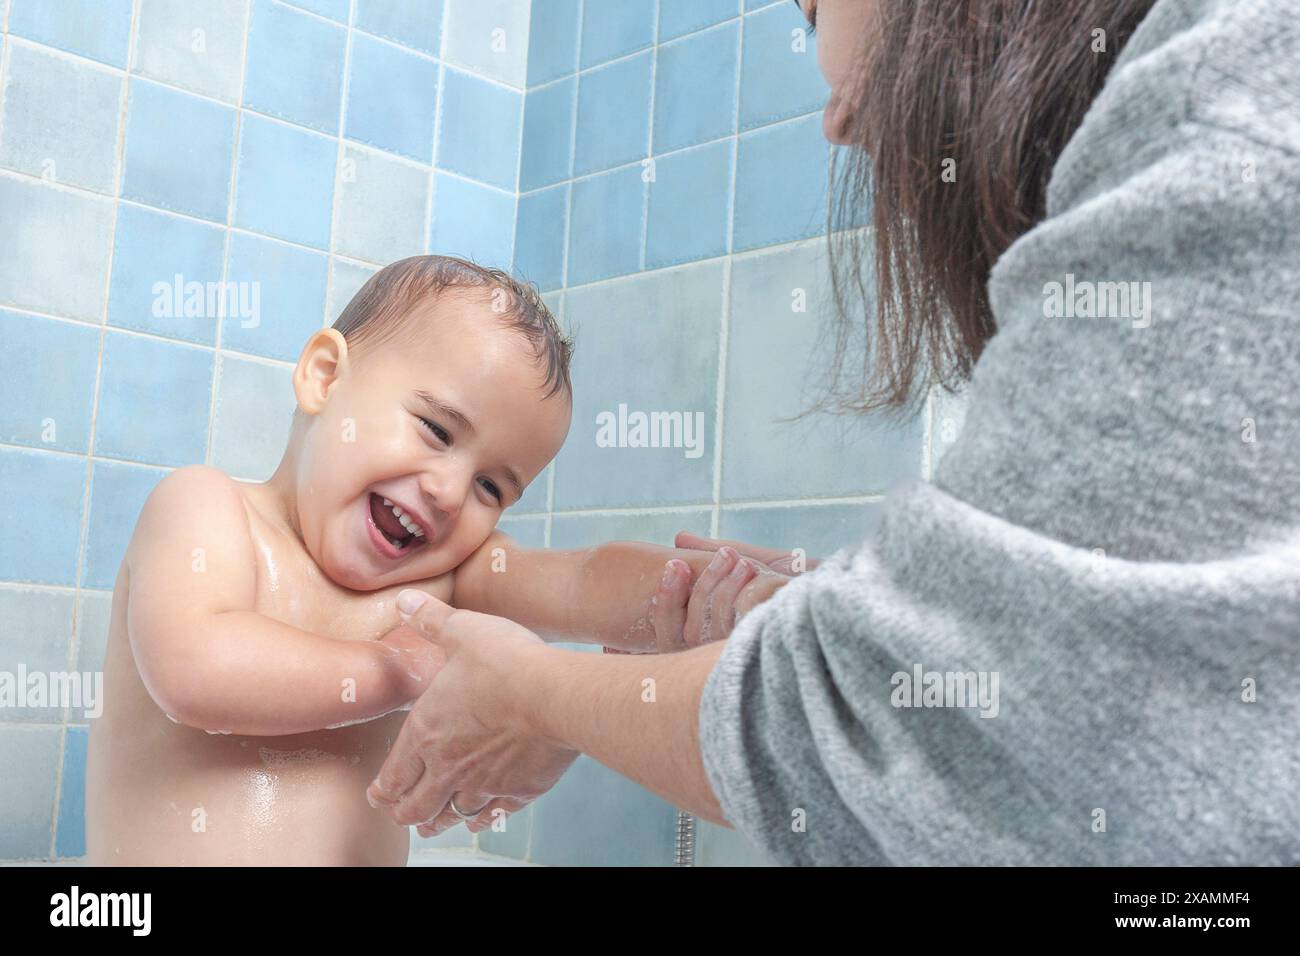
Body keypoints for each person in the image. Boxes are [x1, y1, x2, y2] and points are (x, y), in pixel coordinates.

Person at [368, 0, 1300, 865]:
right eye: (432, 429)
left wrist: (541, 694)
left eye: (815, 6)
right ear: (322, 375)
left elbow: (956, 722)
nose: (834, 122)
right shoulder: (225, 516)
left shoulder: (1233, 96)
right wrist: (830, 620)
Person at [84, 255, 787, 865]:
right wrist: (405, 666)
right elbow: (196, 670)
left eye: (492, 487)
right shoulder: (207, 509)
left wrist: (731, 591)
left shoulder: (443, 578)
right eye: (436, 429)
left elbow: (583, 579)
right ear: (326, 377)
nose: (450, 493)